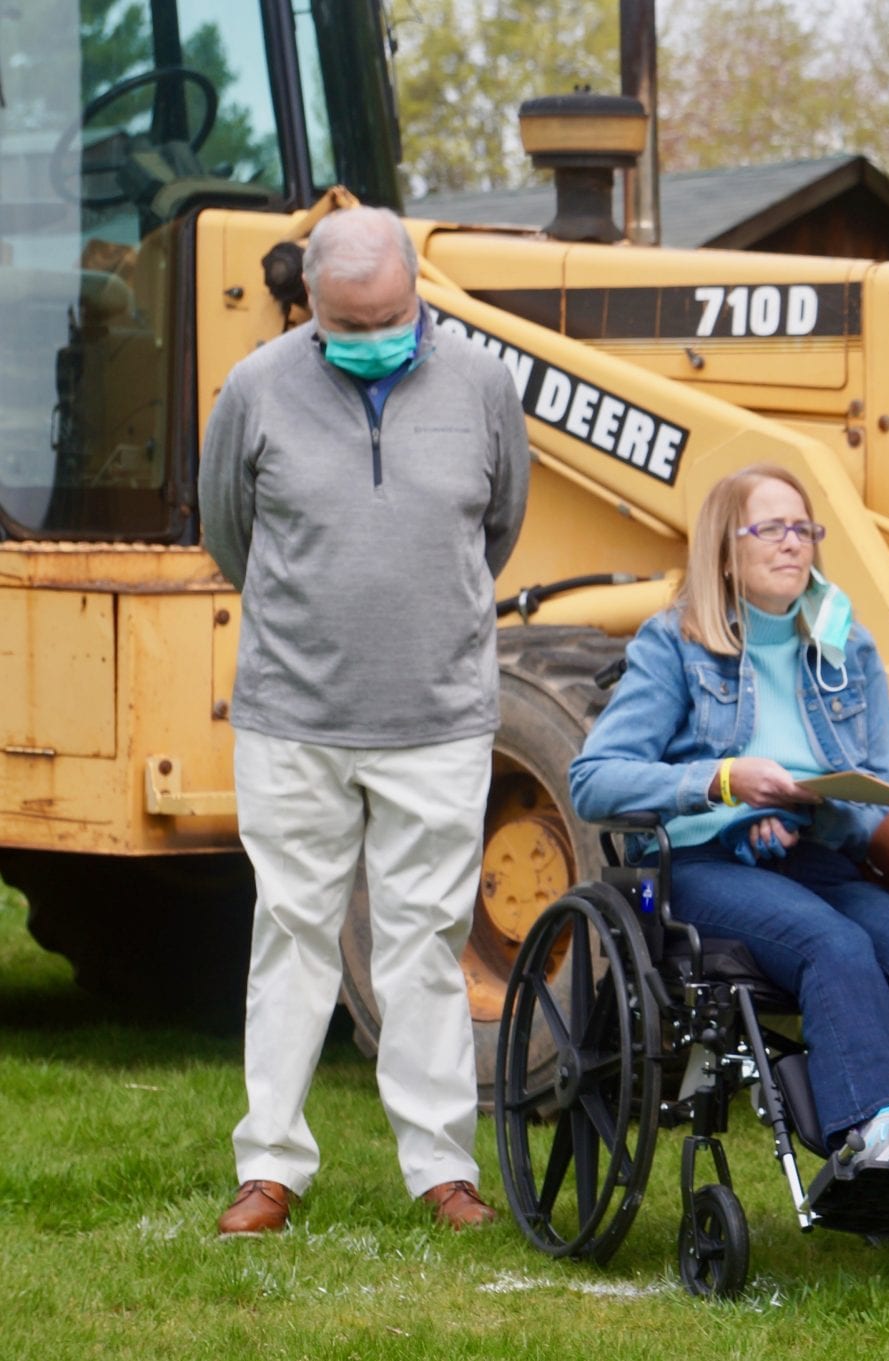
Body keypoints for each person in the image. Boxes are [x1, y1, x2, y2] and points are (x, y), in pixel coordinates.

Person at [569, 464, 889, 1225]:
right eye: (769, 528)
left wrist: (819, 808)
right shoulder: (673, 645)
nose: (792, 543)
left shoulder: (849, 650)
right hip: (699, 863)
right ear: (724, 548)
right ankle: (878, 1132)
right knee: (830, 942)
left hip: (816, 855)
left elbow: (870, 787)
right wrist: (725, 781)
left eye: (803, 528)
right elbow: (594, 780)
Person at [200, 206, 530, 1235]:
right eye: (350, 320)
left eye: (390, 313)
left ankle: (441, 1170)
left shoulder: (482, 385)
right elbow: (228, 533)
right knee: (290, 933)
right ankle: (270, 1167)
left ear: (415, 292)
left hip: (437, 718)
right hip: (294, 718)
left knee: (424, 943)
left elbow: (497, 525)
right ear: (311, 308)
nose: (374, 330)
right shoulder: (256, 388)